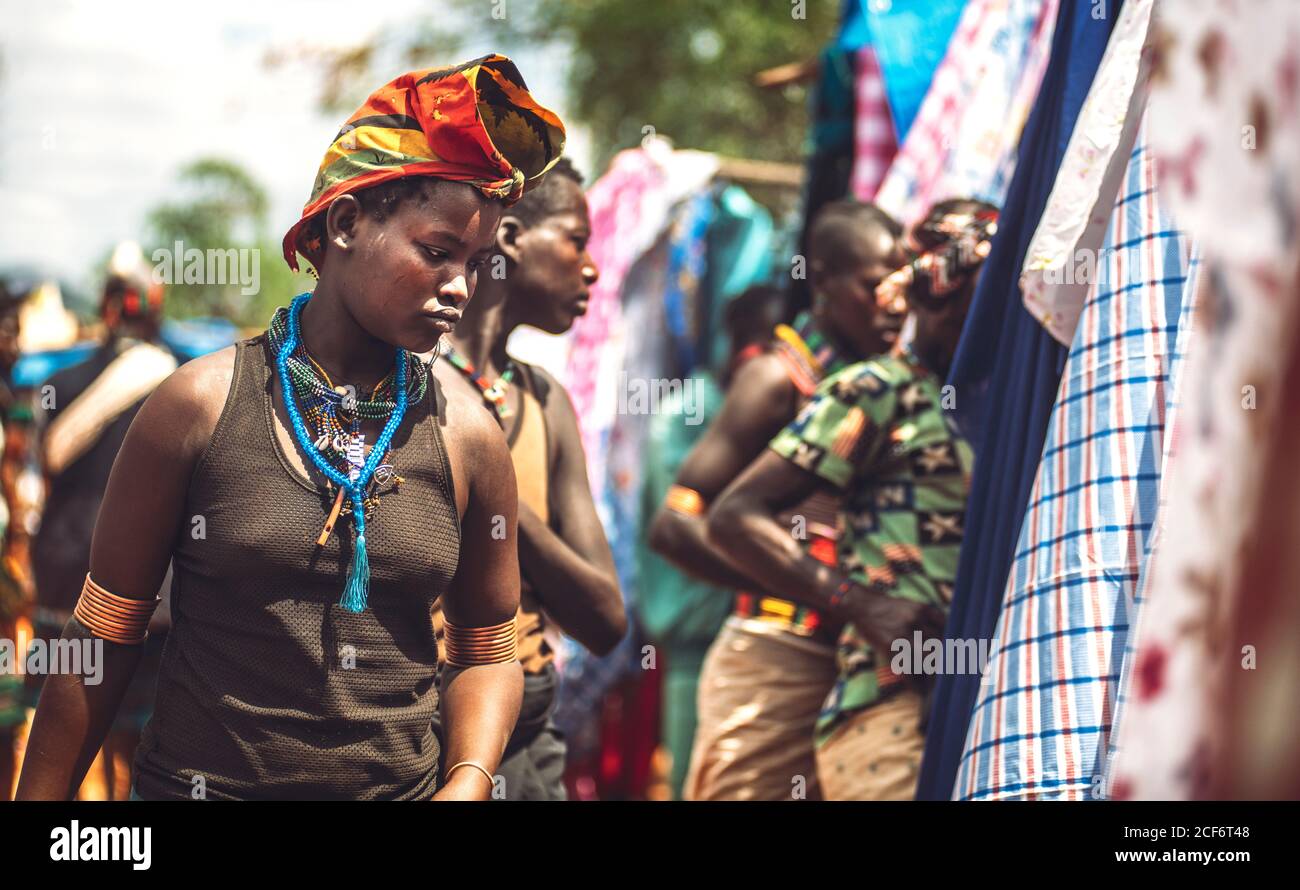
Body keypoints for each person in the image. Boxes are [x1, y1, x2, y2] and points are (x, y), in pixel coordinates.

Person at [16, 54, 566, 801]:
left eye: (476, 262)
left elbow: (486, 652)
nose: (461, 288)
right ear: (345, 222)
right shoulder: (198, 407)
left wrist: (466, 782)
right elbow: (102, 640)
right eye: (437, 253)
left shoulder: (468, 435)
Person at [707, 199, 997, 800]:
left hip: (979, 708)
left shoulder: (1010, 406)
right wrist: (856, 600)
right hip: (877, 700)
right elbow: (726, 516)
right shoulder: (872, 390)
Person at [647, 199, 907, 801]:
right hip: (777, 658)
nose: (890, 301)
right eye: (872, 285)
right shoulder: (778, 381)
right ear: (821, 281)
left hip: (854, 658)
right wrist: (827, 592)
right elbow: (674, 524)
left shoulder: (886, 384)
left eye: (898, 284)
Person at [430, 156, 626, 801]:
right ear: (510, 240)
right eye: (576, 239)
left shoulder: (545, 403)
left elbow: (604, 620)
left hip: (527, 733)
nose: (591, 267)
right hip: (422, 732)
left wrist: (500, 496)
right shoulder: (407, 388)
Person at [23, 245, 176, 801]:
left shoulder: (58, 382)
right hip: (147, 587)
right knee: (137, 733)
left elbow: (40, 474)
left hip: (64, 575)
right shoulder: (181, 385)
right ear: (153, 308)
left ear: (108, 309)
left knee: (59, 725)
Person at [637, 283, 785, 799]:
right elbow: (676, 529)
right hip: (698, 639)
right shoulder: (690, 414)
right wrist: (789, 584)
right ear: (752, 351)